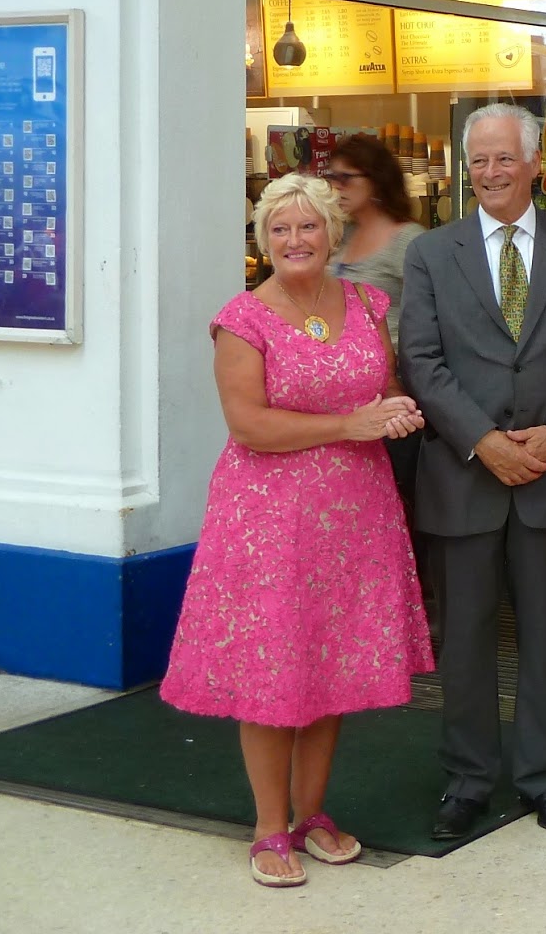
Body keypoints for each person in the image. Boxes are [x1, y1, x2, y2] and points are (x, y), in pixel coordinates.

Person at [159, 173, 434, 888]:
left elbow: (380, 387)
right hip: (269, 518)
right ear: (264, 240)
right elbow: (248, 424)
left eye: (307, 225)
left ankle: (312, 814)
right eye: (278, 229)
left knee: (330, 660)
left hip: (355, 511)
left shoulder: (367, 303)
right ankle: (268, 827)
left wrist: (395, 408)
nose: (294, 240)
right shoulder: (242, 319)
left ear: (332, 233)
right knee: (273, 665)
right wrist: (350, 425)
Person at [399, 103, 546, 838]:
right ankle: (466, 780)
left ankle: (541, 777)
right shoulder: (432, 254)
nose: (491, 172)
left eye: (504, 158)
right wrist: (483, 440)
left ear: (534, 164)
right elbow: (420, 360)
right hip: (464, 475)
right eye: (480, 160)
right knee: (463, 638)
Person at [326, 134, 427, 502]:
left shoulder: (407, 240)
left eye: (346, 178)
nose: (337, 187)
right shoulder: (340, 235)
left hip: (394, 391)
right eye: (332, 177)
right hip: (343, 392)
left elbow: (429, 315)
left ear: (375, 179)